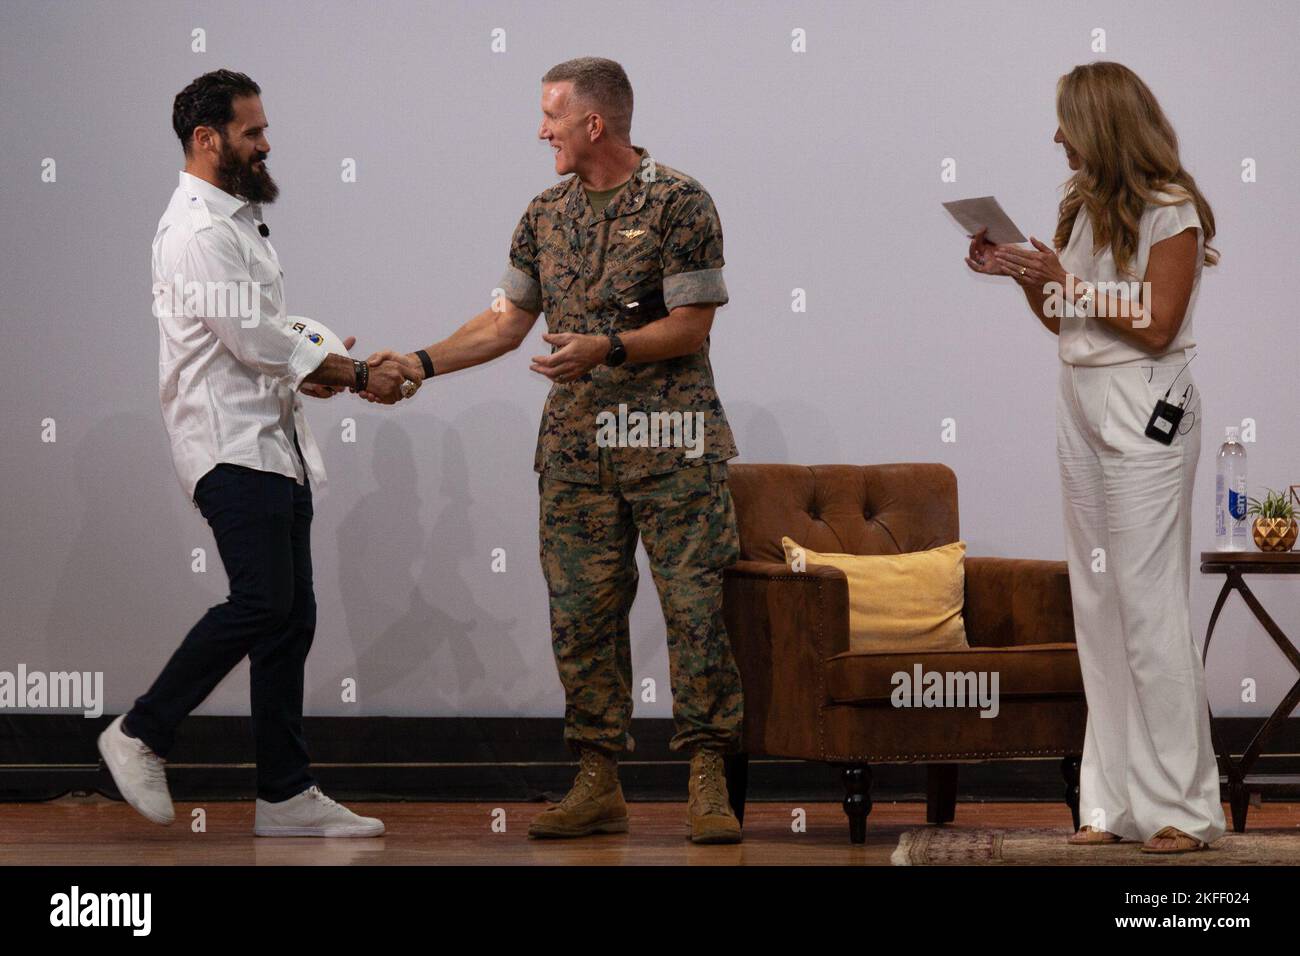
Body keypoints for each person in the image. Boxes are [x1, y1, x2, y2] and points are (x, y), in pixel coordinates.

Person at [364, 57, 745, 844]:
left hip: (671, 447)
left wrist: (606, 347)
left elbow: (693, 324)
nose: (542, 131)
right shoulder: (544, 212)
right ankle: (598, 779)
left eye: (552, 117)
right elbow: (505, 320)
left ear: (593, 123)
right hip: (577, 459)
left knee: (696, 614)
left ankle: (708, 778)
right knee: (582, 619)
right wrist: (420, 363)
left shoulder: (680, 201)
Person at [98, 69, 420, 837]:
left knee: (290, 617)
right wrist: (358, 373)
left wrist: (314, 367)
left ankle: (283, 795)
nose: (266, 143)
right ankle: (141, 731)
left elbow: (265, 339)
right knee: (264, 602)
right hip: (229, 447)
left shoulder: (236, 223)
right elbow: (254, 339)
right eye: (252, 131)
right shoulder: (199, 230)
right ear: (206, 140)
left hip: (273, 448)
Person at [965, 61, 1226, 853]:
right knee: (1099, 604)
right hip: (1080, 399)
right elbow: (1063, 322)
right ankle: (1109, 802)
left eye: (1065, 123)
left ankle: (1186, 807)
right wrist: (1022, 272)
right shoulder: (1080, 205)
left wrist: (1066, 282)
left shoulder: (1172, 209)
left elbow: (1156, 320)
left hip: (1145, 401)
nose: (1056, 138)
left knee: (1148, 606)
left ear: (1103, 125)